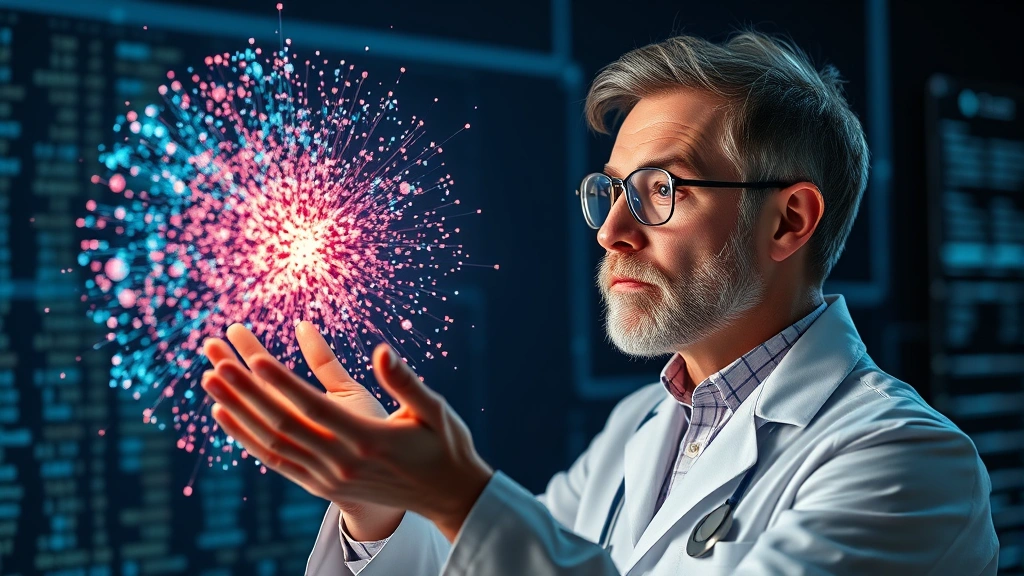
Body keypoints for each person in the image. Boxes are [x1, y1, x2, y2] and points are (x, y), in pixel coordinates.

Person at [198, 31, 1000, 575]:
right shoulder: (640, 431)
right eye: (610, 191)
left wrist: (456, 492)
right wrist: (382, 505)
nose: (612, 230)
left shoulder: (907, 466)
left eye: (661, 189)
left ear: (788, 219)